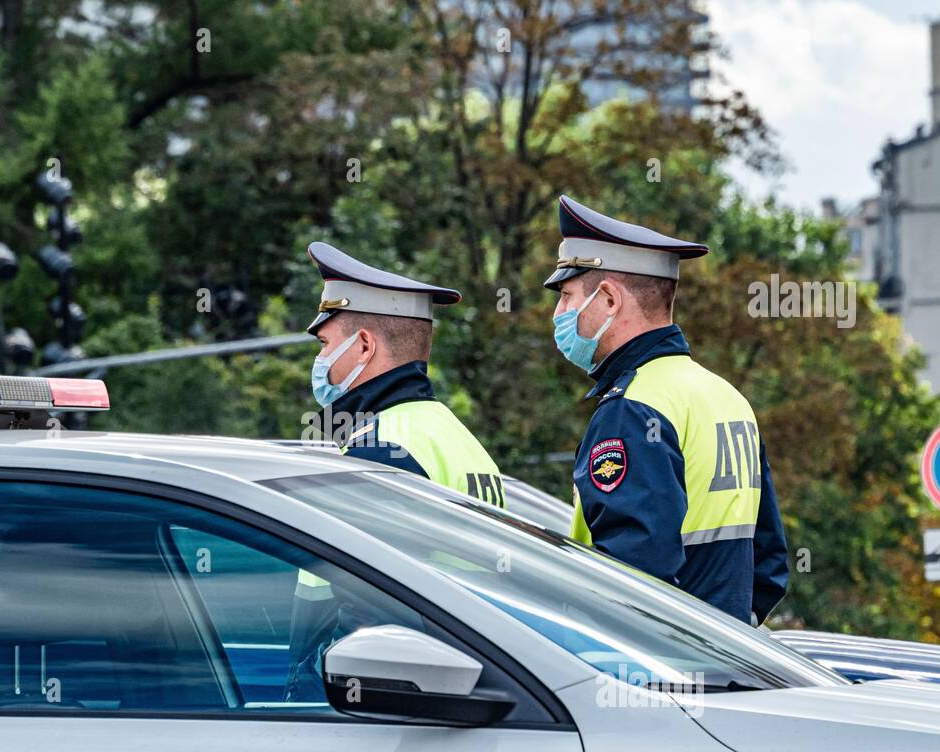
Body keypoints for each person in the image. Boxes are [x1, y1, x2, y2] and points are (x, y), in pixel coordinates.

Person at [544, 195, 789, 624]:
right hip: (726, 666)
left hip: (652, 676)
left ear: (608, 299)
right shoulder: (725, 396)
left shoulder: (633, 410)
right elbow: (768, 565)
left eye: (566, 296)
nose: (559, 313)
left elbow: (632, 580)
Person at [304, 241, 504, 506]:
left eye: (325, 344)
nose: (321, 358)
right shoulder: (459, 437)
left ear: (364, 346)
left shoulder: (379, 449)